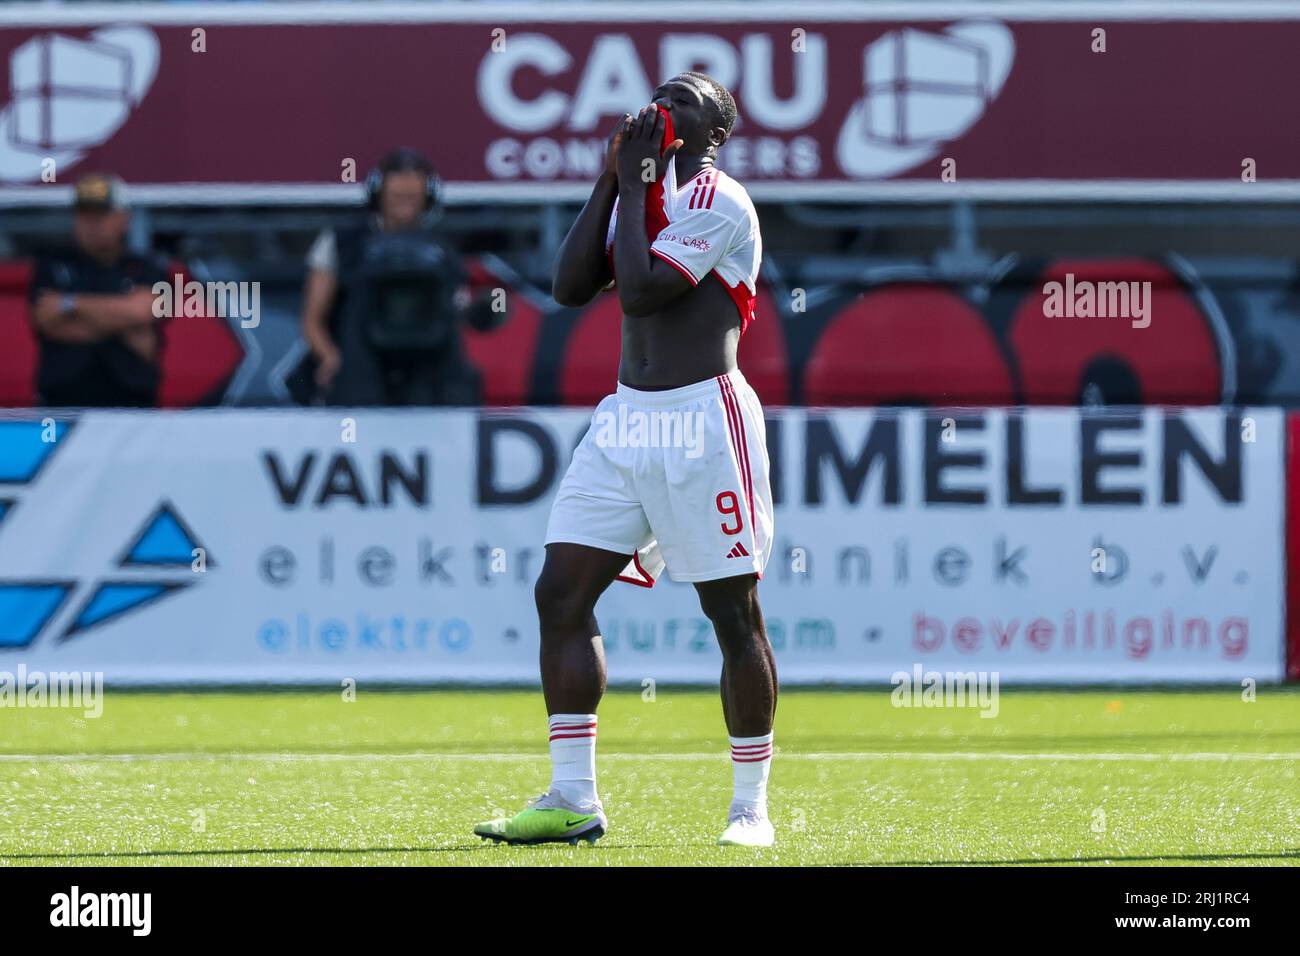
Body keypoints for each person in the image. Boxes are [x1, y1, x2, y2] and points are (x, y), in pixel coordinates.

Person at [475, 73, 776, 848]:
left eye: (682, 100)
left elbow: (642, 294)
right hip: (626, 422)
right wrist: (611, 180)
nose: (660, 106)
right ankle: (573, 796)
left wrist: (637, 186)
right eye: (657, 95)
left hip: (703, 421)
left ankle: (749, 808)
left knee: (731, 615)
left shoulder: (718, 198)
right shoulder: (640, 194)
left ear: (713, 131)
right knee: (560, 593)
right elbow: (572, 286)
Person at [298, 148, 486, 406]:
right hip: (360, 364)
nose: (405, 199)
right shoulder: (342, 242)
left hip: (427, 368)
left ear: (427, 196)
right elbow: (312, 319)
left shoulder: (443, 250)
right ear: (379, 192)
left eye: (413, 194)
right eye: (398, 193)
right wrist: (331, 358)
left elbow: (458, 309)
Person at [28, 174, 167, 407]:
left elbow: (143, 311)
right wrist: (124, 327)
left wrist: (70, 304)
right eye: (83, 216)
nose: (91, 225)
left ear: (124, 219)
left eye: (100, 216)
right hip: (63, 402)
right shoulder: (54, 264)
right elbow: (45, 319)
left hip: (132, 403)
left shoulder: (143, 267)